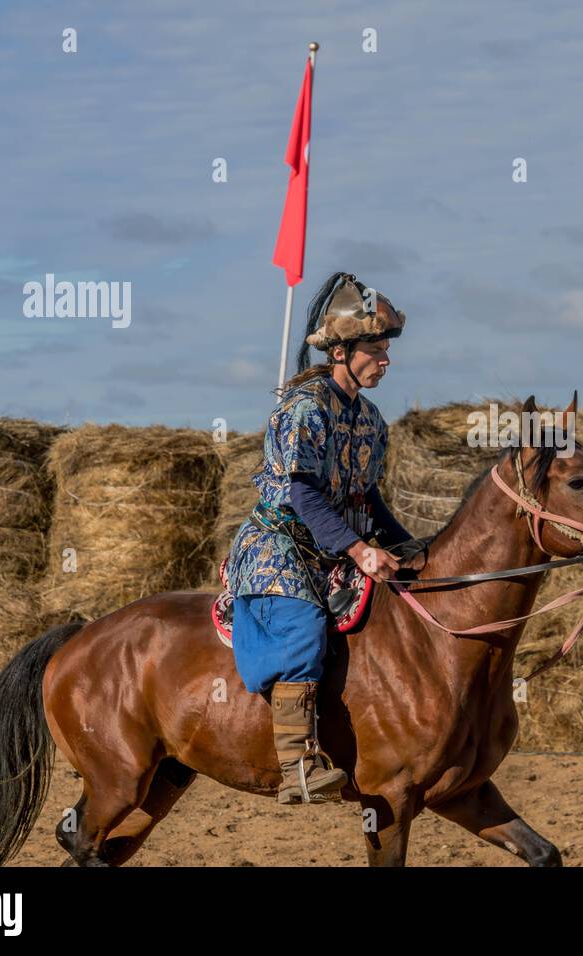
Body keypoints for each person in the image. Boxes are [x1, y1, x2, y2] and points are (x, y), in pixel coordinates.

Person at [224, 272, 414, 804]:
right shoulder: (304, 410)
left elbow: (368, 497)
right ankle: (297, 765)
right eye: (376, 349)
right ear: (341, 352)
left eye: (386, 350)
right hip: (279, 547)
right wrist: (358, 549)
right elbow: (304, 495)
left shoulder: (371, 420)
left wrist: (405, 545)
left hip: (336, 544)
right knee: (304, 627)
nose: (386, 360)